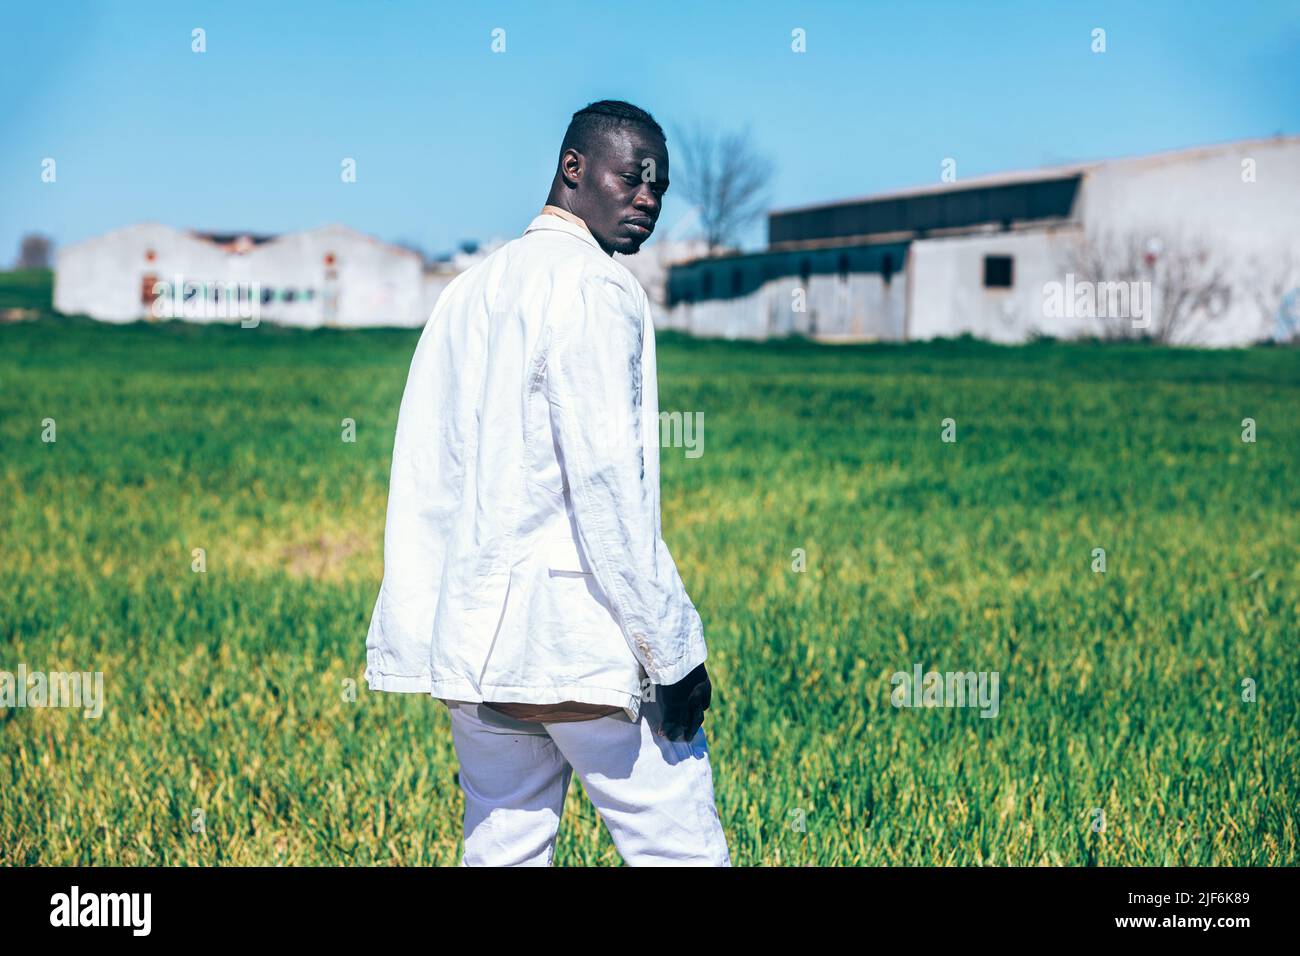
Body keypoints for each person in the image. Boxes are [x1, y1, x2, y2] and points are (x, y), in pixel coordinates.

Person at [363, 100, 730, 866]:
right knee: (682, 850)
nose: (649, 202)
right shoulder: (595, 287)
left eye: (660, 190)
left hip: (478, 649)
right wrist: (672, 652)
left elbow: (430, 474)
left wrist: (428, 623)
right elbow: (606, 485)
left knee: (503, 847)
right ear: (574, 169)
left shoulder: (468, 292)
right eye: (634, 179)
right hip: (576, 640)